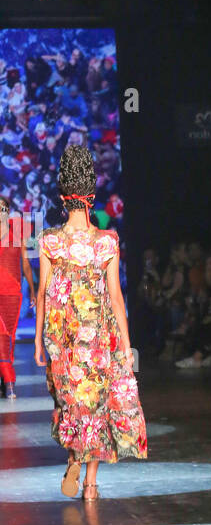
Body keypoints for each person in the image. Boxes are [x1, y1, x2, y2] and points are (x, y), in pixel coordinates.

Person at [34, 144, 147, 501]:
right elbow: (116, 297)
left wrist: (38, 342)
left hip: (66, 339)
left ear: (63, 194)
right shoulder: (107, 242)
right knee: (97, 406)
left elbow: (42, 295)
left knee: (73, 404)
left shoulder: (50, 241)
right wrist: (127, 345)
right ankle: (91, 484)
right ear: (91, 193)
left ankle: (73, 458)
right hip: (99, 339)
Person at [0, 197, 36, 399]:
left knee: (9, 338)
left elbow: (26, 264)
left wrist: (32, 289)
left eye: (2, 207)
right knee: (1, 336)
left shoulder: (17, 236)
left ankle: (5, 379)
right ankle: (9, 382)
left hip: (13, 294)